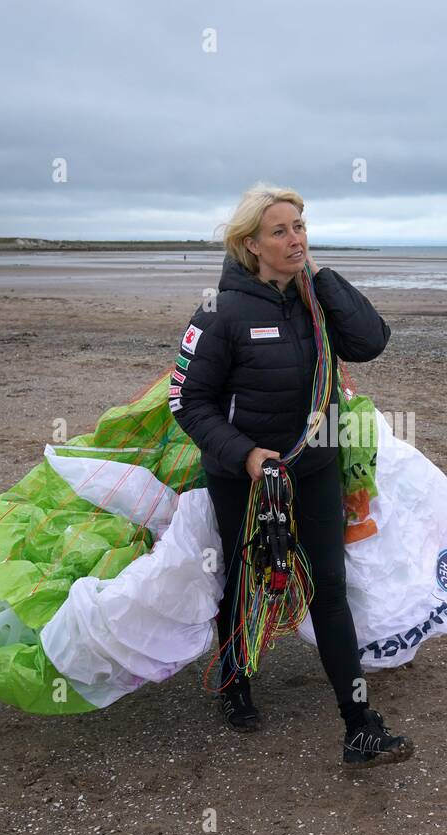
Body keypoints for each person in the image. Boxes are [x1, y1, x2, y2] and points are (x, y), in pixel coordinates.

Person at [170, 182, 414, 768]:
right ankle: (234, 683)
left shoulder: (314, 299)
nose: (294, 238)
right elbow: (188, 399)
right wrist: (247, 456)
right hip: (247, 476)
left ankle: (360, 725)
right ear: (250, 244)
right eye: (279, 231)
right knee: (245, 578)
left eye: (300, 227)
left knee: (329, 587)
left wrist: (324, 280)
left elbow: (372, 342)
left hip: (316, 465)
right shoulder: (219, 310)